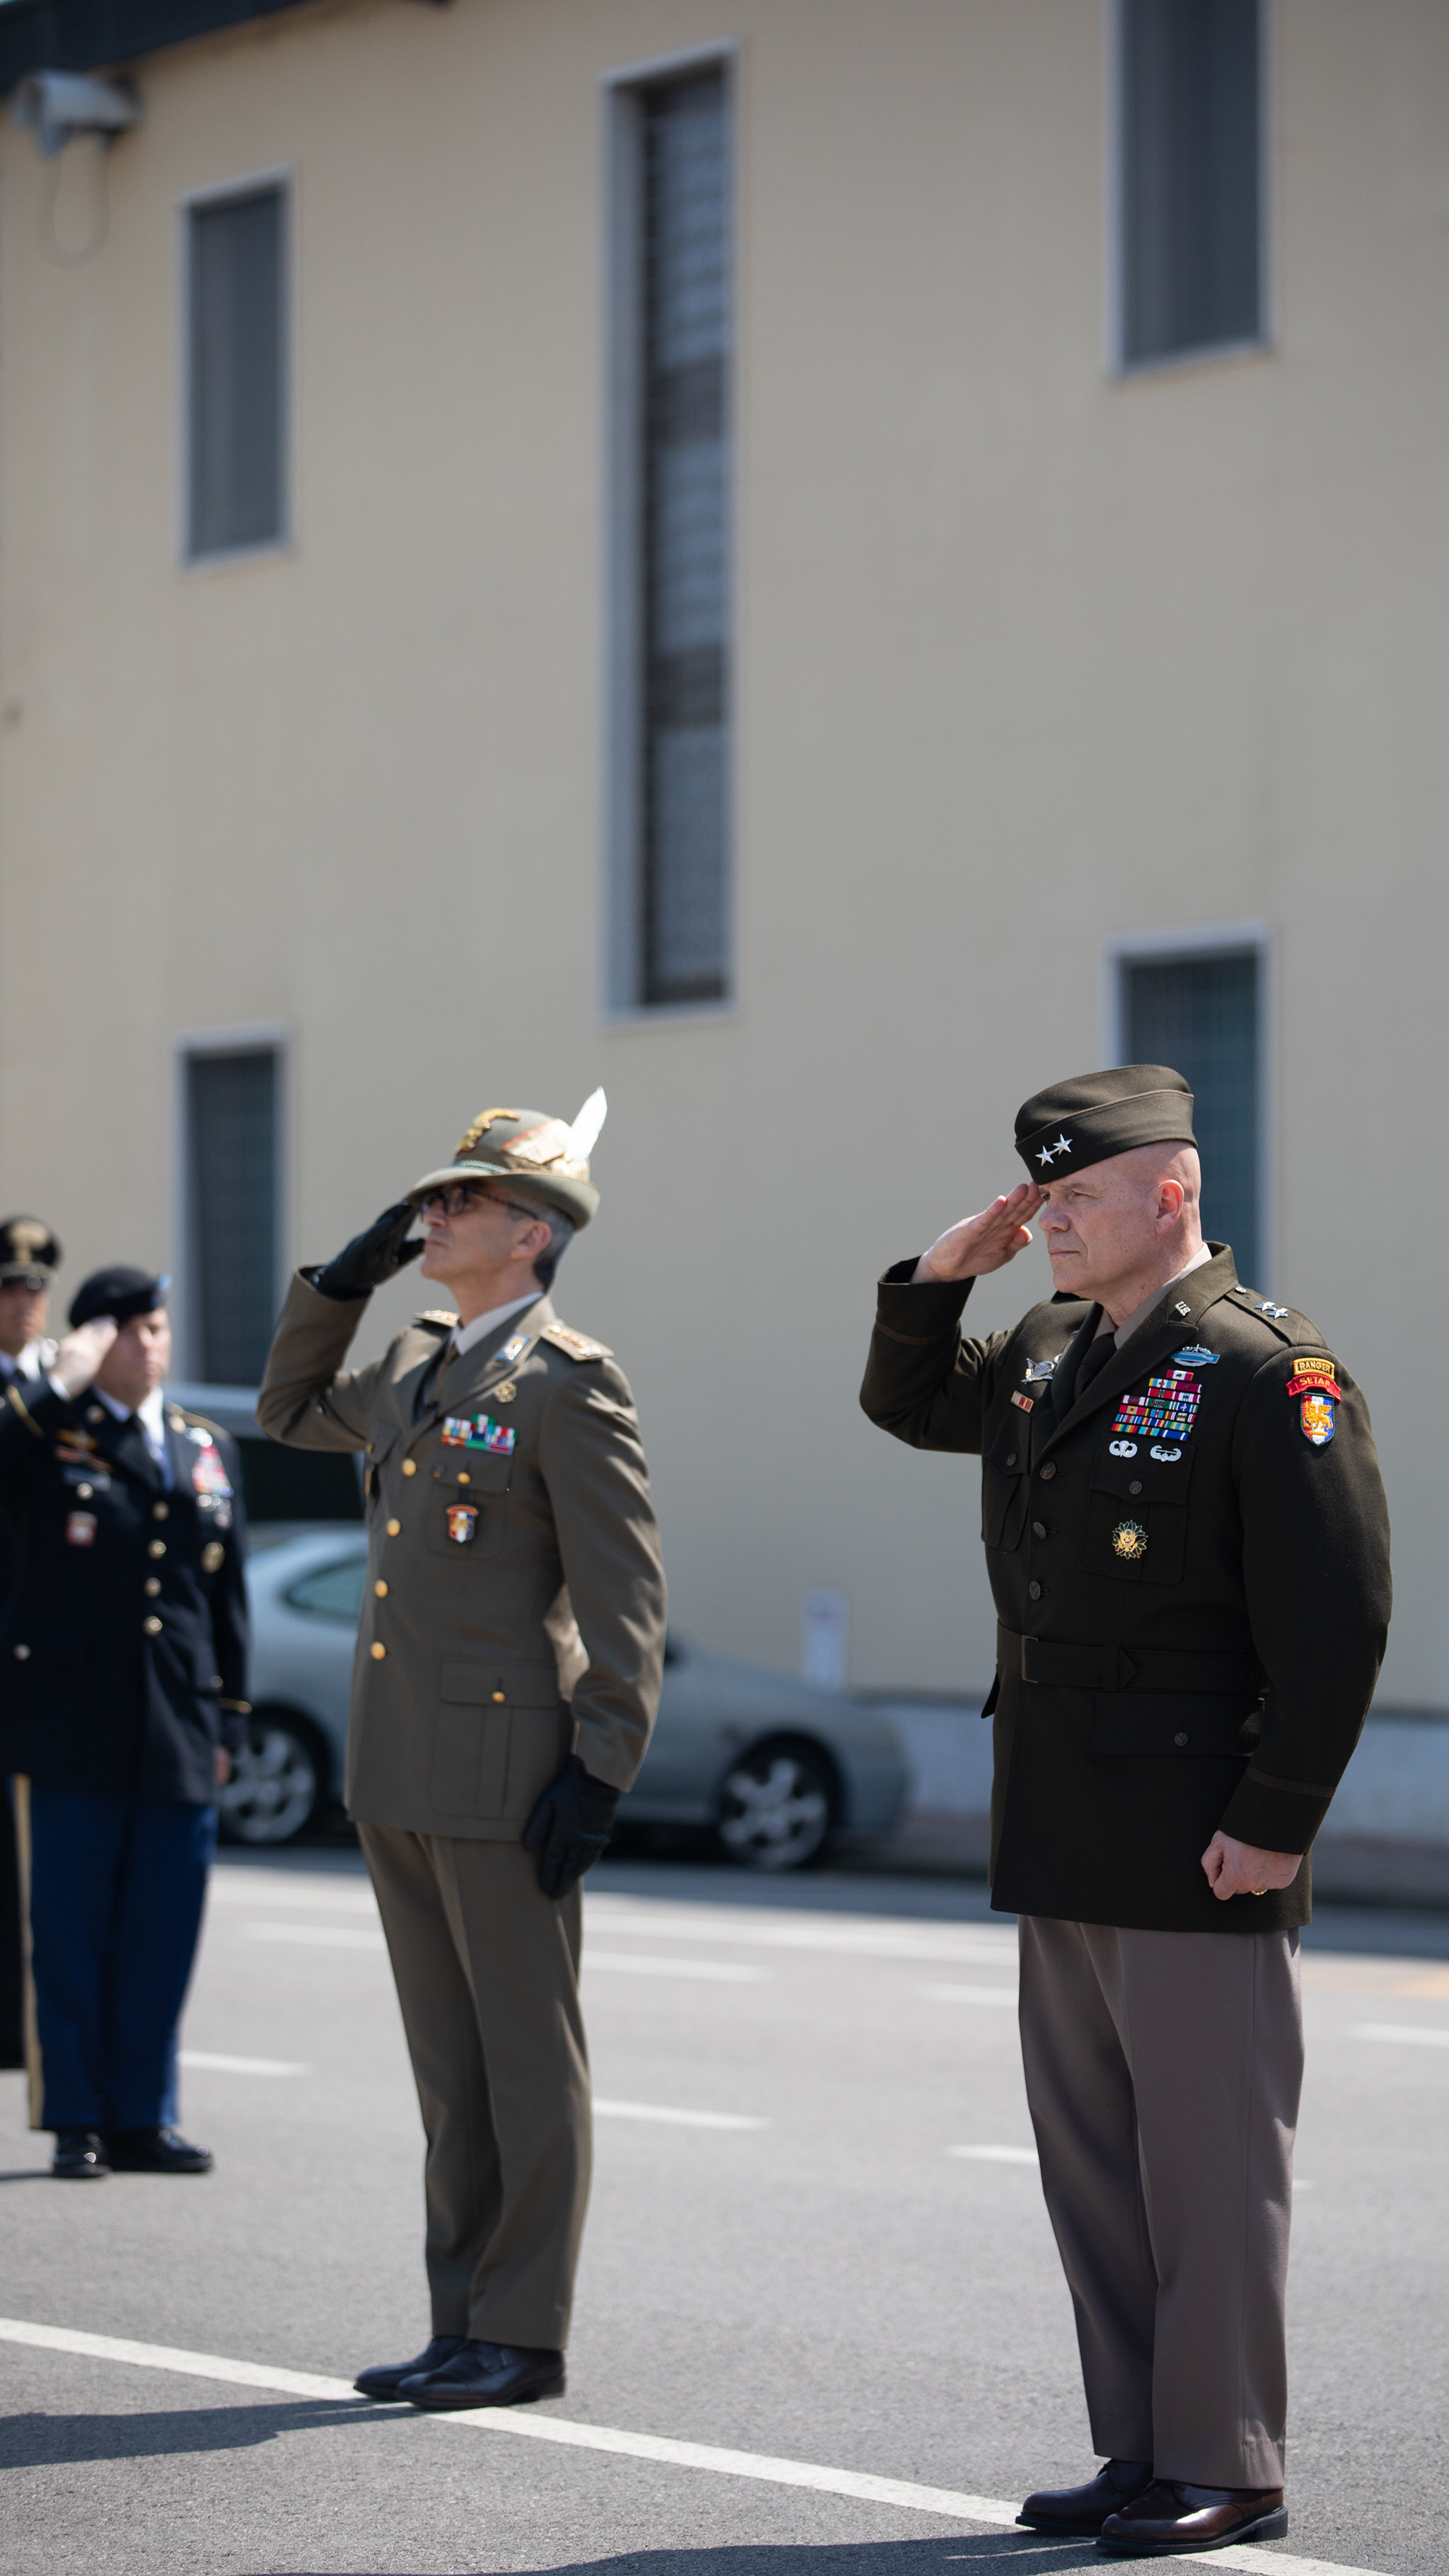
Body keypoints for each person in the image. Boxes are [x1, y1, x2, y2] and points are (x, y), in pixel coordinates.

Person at [860, 1065, 1391, 2560]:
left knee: (1210, 2168)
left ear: (1171, 1196)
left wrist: (1278, 1811)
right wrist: (933, 1277)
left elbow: (1336, 1613)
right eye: (1037, 1198)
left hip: (1200, 1830)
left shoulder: (1261, 1366)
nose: (1046, 1224)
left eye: (1074, 1197)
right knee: (1093, 2155)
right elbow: (907, 1402)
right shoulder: (1043, 1345)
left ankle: (1231, 2457)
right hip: (1062, 1815)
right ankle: (1144, 2442)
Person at [258, 1095, 666, 2411]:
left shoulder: (567, 1387)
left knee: (526, 2066)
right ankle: (459, 2322)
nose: (430, 1216)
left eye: (457, 1202)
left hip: (508, 1779)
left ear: (531, 1234)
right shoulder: (418, 1361)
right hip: (398, 1770)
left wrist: (601, 1769)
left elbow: (625, 1606)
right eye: (429, 1199)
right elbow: (285, 1405)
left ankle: (524, 2330)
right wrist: (342, 1279)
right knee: (449, 2071)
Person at [0, 1266, 250, 2179]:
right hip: (67, 1722)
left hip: (178, 1726)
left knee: (160, 1931)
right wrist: (53, 1382)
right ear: (93, 1343)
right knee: (68, 1931)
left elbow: (225, 1599)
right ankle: (75, 2116)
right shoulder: (46, 1432)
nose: (151, 1343)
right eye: (131, 1330)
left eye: (158, 1326)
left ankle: (142, 2112)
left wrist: (228, 1721)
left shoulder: (204, 1447)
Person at [0, 1216, 63, 2075]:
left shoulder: (68, 1386)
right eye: (10, 1287)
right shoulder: (46, 1397)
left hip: (47, 1659)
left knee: (42, 1861)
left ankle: (29, 2029)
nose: (25, 1303)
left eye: (35, 1287)